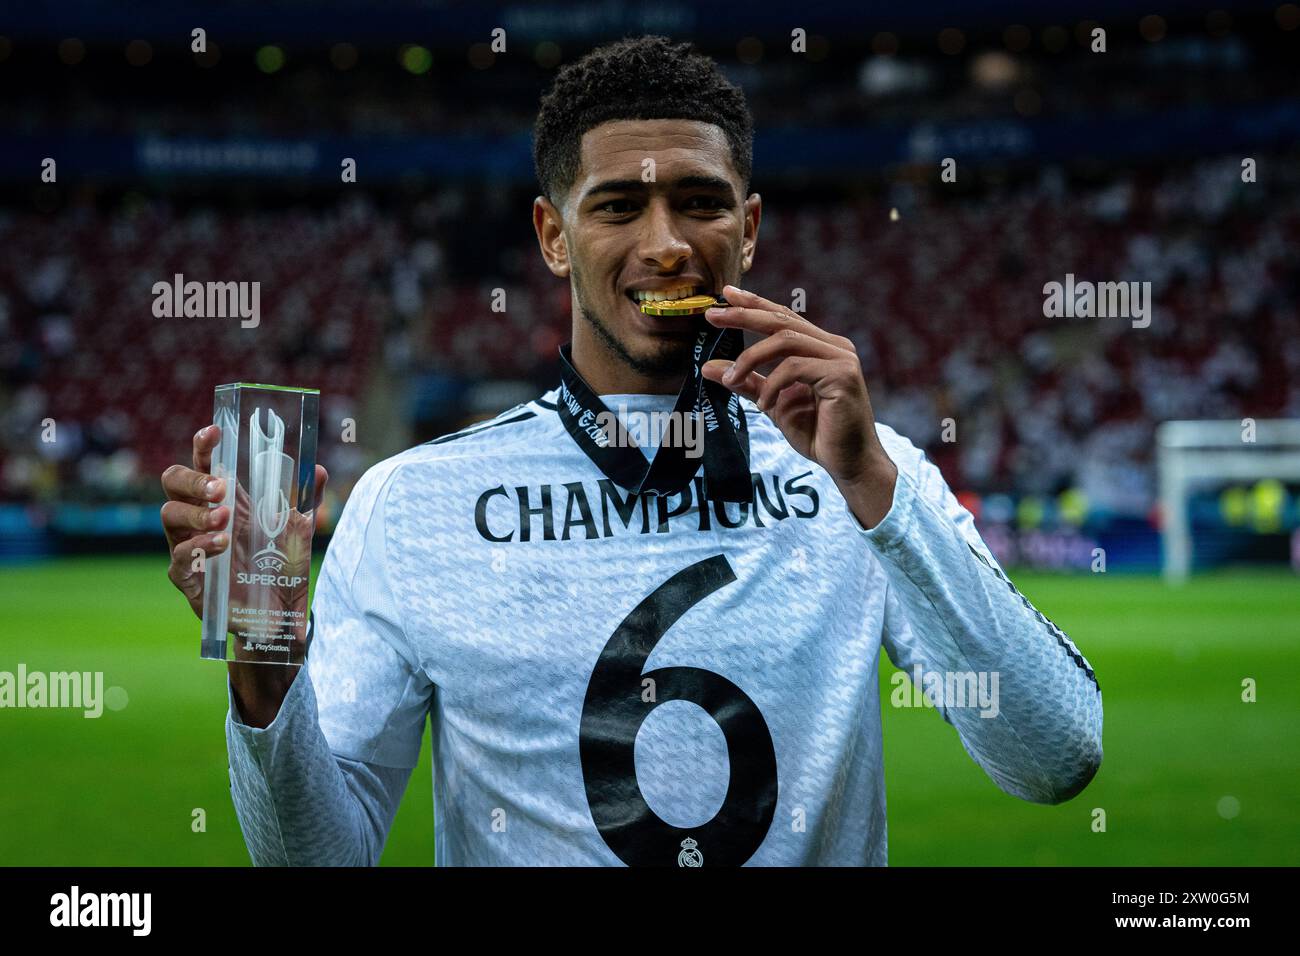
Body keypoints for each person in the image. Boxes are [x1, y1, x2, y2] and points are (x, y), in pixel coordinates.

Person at [160, 35, 1101, 867]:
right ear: (553, 237)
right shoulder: (412, 504)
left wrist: (873, 487)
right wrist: (264, 671)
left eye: (701, 203)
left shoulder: (860, 471)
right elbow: (318, 861)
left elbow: (1056, 757)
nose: (667, 246)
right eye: (617, 207)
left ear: (751, 229)